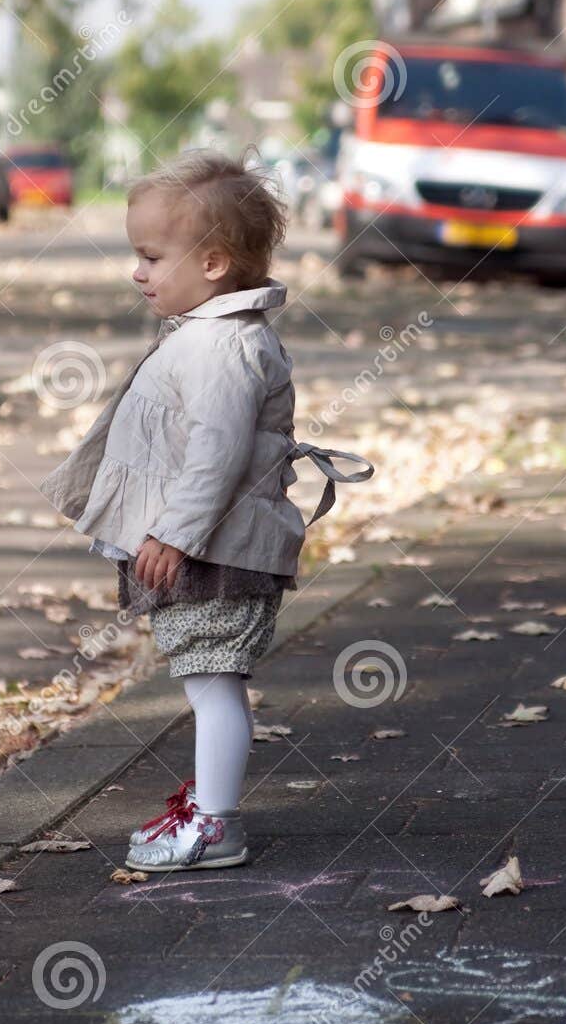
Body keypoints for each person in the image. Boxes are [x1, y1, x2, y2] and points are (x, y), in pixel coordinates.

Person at [38, 149, 374, 872]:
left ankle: (217, 825)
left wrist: (173, 532)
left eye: (152, 257)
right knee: (206, 679)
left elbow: (217, 454)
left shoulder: (224, 346)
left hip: (215, 550)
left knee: (214, 684)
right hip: (210, 547)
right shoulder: (207, 334)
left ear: (215, 263)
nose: (138, 272)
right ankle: (209, 807)